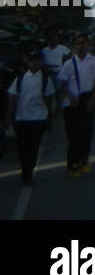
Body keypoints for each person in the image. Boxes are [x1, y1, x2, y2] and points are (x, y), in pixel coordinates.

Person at [5, 50, 57, 185]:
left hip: (38, 118)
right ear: (27, 62)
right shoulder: (20, 78)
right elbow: (12, 96)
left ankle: (28, 173)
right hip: (21, 118)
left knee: (33, 147)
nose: (34, 64)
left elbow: (49, 99)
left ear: (40, 62)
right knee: (22, 149)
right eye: (31, 60)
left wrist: (49, 117)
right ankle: (25, 171)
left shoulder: (46, 78)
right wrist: (9, 116)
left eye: (36, 61)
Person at [57, 33, 95, 176]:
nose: (81, 46)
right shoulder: (68, 64)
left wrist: (92, 99)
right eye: (78, 43)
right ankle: (73, 164)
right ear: (73, 47)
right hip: (72, 102)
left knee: (87, 133)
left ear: (88, 45)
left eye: (83, 43)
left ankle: (84, 160)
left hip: (88, 99)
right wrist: (71, 97)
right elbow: (62, 84)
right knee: (73, 135)